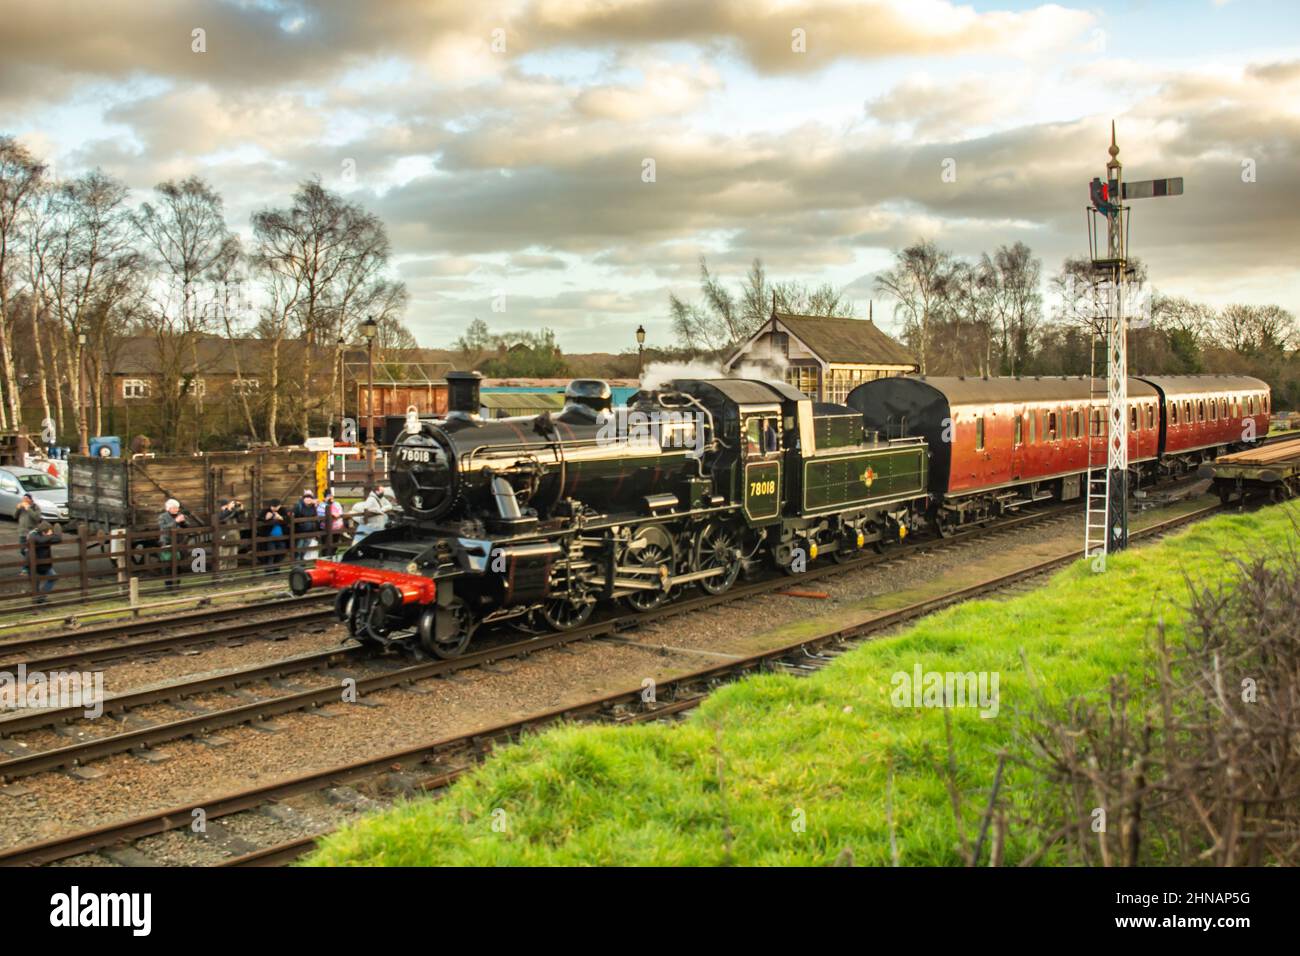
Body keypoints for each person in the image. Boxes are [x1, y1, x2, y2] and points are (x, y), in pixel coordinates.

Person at [157, 497, 189, 589]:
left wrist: (183, 522)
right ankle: (169, 586)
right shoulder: (162, 517)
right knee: (167, 565)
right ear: (169, 508)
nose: (176, 509)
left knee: (178, 565)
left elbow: (187, 525)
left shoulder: (180, 515)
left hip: (179, 543)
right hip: (166, 542)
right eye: (174, 508)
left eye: (177, 508)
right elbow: (164, 528)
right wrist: (175, 521)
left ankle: (177, 584)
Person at [27, 520, 61, 604]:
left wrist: (54, 532)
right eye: (49, 531)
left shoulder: (45, 536)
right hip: (34, 563)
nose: (51, 533)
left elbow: (58, 538)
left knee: (53, 577)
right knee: (36, 583)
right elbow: (40, 540)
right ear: (43, 531)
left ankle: (40, 597)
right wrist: (50, 536)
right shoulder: (34, 535)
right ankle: (36, 601)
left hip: (45, 563)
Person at [259, 500, 288, 573]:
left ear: (279, 506)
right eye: (273, 507)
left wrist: (281, 518)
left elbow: (288, 520)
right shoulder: (265, 511)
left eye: (276, 507)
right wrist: (266, 518)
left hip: (281, 537)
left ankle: (276, 569)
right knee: (271, 553)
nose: (274, 509)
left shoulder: (283, 510)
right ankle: (269, 571)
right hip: (270, 536)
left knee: (281, 553)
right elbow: (259, 520)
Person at [216, 498, 245, 572]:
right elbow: (222, 518)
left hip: (234, 539)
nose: (228, 506)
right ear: (221, 507)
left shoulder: (233, 513)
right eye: (226, 505)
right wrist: (229, 510)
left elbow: (242, 519)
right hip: (224, 541)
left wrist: (241, 510)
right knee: (223, 560)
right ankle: (222, 579)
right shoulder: (219, 514)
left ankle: (231, 577)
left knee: (233, 559)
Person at [292, 490, 321, 562]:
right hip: (300, 531)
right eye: (306, 497)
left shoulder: (313, 507)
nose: (308, 499)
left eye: (310, 498)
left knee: (305, 548)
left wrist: (316, 531)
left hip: (310, 532)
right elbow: (293, 516)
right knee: (298, 548)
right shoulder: (298, 506)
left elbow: (316, 519)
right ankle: (297, 564)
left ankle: (302, 563)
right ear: (303, 499)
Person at [316, 489, 346, 558]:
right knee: (326, 544)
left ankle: (333, 556)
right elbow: (320, 514)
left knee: (335, 543)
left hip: (336, 528)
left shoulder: (337, 504)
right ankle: (325, 557)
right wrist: (332, 514)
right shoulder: (322, 505)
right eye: (328, 496)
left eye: (331, 496)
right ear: (325, 497)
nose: (330, 498)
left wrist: (337, 514)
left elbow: (340, 512)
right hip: (326, 528)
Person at [16, 493, 41, 573]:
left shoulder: (35, 507)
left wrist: (28, 509)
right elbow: (14, 516)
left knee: (28, 550)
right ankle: (34, 562)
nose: (24, 500)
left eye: (26, 499)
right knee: (22, 550)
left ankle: (26, 568)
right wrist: (18, 509)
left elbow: (36, 518)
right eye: (23, 499)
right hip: (22, 532)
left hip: (31, 532)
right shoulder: (21, 507)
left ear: (30, 499)